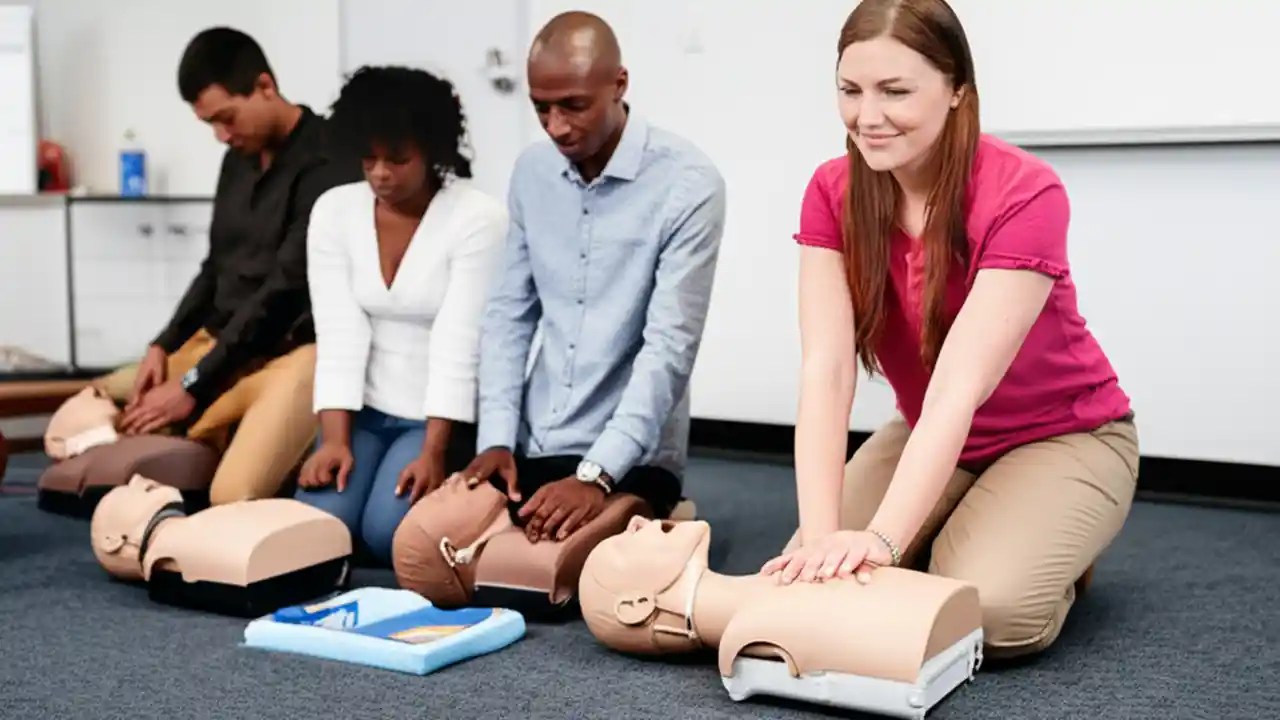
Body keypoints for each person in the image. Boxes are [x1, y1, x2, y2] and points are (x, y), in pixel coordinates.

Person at [760, 0, 1139, 661]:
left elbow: (960, 386)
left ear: (958, 88)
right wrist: (822, 541)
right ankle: (954, 533)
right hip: (929, 430)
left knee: (989, 614)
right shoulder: (831, 190)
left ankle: (1049, 551)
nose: (867, 117)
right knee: (808, 570)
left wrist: (880, 544)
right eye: (850, 91)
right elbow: (826, 370)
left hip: (1062, 433)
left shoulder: (1026, 191)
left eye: (895, 91)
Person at [449, 11, 726, 543]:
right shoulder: (533, 171)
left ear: (619, 84)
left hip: (631, 452)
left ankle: (658, 517)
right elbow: (509, 313)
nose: (555, 126)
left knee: (546, 578)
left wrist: (597, 474)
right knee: (423, 549)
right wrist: (497, 438)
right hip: (537, 439)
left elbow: (670, 347)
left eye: (573, 106)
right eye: (540, 108)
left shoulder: (689, 184)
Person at [99, 27, 360, 504]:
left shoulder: (329, 163)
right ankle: (190, 443)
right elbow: (215, 266)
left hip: (294, 348)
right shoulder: (236, 160)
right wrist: (164, 342)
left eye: (226, 118)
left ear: (264, 86)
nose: (222, 136)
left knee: (231, 494)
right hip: (223, 342)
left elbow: (284, 293)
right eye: (210, 126)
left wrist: (194, 385)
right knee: (89, 412)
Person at [293, 66, 508, 565]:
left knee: (386, 536)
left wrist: (433, 452)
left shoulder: (478, 219)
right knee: (323, 527)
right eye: (368, 158)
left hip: (435, 417)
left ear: (433, 151)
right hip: (363, 411)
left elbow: (460, 341)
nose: (380, 174)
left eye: (398, 159)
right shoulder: (334, 211)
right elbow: (339, 330)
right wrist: (334, 441)